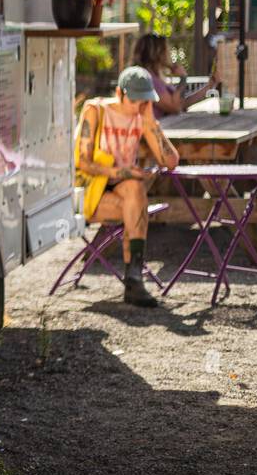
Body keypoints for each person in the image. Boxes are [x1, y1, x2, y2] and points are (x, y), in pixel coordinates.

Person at [75, 66, 180, 307]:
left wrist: (150, 122)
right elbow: (82, 161)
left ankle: (134, 277)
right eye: (134, 100)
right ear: (119, 93)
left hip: (125, 193)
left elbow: (171, 161)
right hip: (91, 191)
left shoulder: (142, 117)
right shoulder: (96, 110)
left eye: (144, 101)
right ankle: (134, 279)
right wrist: (121, 171)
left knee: (134, 190)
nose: (138, 106)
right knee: (136, 201)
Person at [132, 33, 219, 120]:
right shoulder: (148, 79)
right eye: (167, 49)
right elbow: (175, 107)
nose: (169, 53)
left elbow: (182, 103)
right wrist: (183, 79)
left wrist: (211, 83)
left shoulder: (155, 77)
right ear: (158, 54)